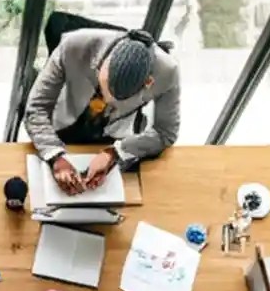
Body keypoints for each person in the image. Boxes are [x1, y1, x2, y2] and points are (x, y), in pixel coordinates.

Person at [24, 27, 179, 195]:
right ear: (102, 64)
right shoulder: (73, 46)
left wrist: (114, 153)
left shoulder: (168, 72)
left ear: (148, 83)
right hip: (63, 125)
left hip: (115, 134)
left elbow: (165, 132)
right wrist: (55, 156)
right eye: (104, 90)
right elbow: (36, 108)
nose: (106, 101)